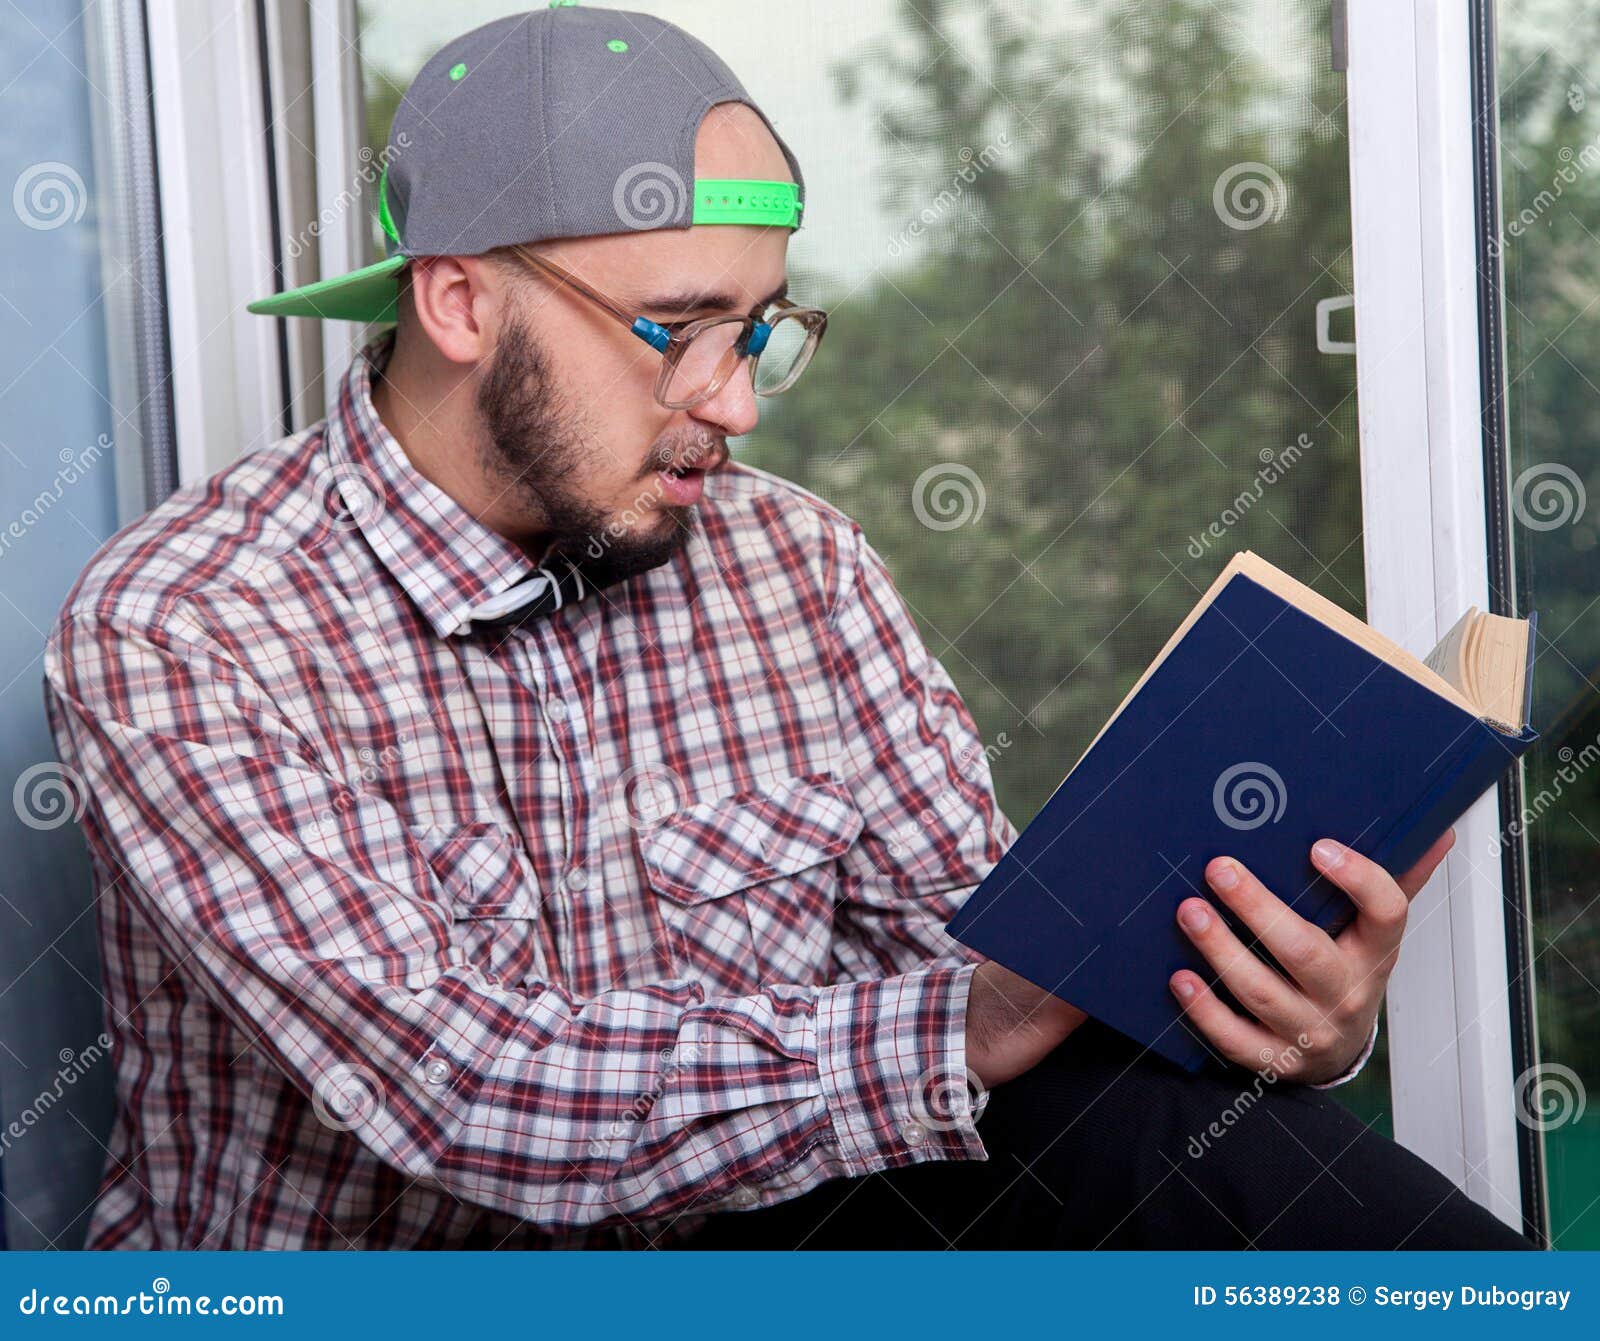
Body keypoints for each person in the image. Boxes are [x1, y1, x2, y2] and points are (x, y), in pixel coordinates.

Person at [43, 5, 1531, 1251]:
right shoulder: (184, 626)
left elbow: (979, 964)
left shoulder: (793, 561)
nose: (736, 403)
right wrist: (972, 1025)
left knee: (1146, 1119)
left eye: (759, 329)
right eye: (676, 329)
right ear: (456, 303)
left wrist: (1269, 1013)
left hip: (746, 1255)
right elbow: (460, 1090)